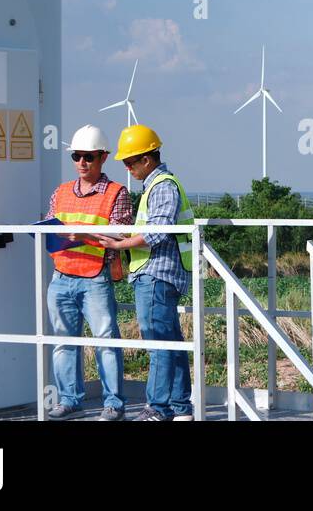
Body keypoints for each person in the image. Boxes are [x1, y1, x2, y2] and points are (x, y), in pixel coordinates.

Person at [97, 124, 195, 421]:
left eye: (130, 162)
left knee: (157, 344)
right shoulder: (159, 184)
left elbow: (159, 228)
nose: (128, 169)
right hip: (161, 274)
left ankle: (157, 408)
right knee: (170, 343)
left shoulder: (162, 185)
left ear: (146, 159)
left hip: (157, 274)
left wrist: (124, 242)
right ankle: (180, 407)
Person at [45, 124, 131, 421]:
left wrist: (82, 236)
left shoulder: (117, 193)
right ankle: (69, 399)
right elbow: (50, 227)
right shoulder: (62, 192)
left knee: (106, 340)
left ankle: (114, 404)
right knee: (63, 341)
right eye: (77, 156)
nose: (82, 162)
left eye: (88, 157)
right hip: (61, 275)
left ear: (103, 158)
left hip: (95, 277)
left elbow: (120, 237)